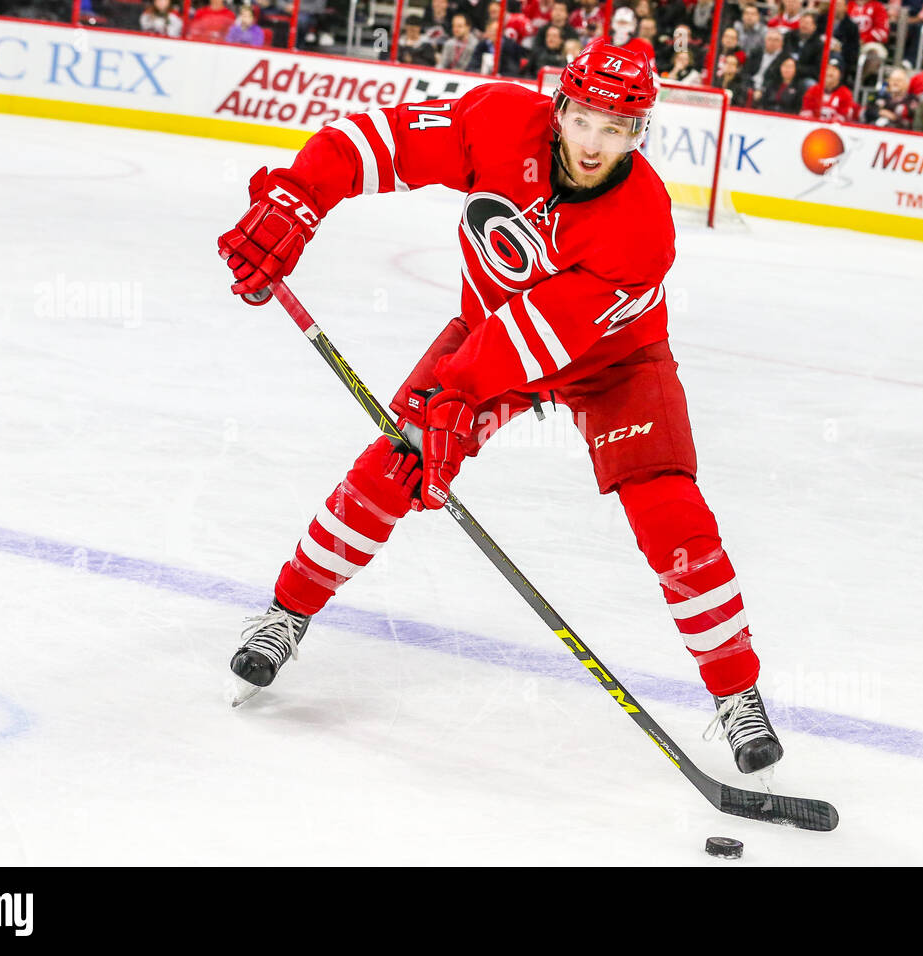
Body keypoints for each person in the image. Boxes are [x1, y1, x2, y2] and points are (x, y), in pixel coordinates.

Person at [216, 41, 786, 775]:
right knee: (391, 468)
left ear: (640, 134)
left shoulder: (642, 223)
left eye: (617, 130)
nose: (595, 143)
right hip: (489, 335)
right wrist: (298, 196)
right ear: (561, 107)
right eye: (586, 120)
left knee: (669, 510)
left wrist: (455, 395)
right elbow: (376, 140)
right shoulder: (496, 122)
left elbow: (545, 333)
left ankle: (737, 696)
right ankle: (285, 616)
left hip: (613, 365)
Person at [785, 11, 825, 84]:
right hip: (785, 72)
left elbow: (816, 70)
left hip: (804, 77)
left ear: (814, 27)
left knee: (810, 84)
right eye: (802, 22)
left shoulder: (819, 45)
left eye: (807, 23)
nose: (804, 26)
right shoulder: (789, 36)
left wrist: (796, 69)